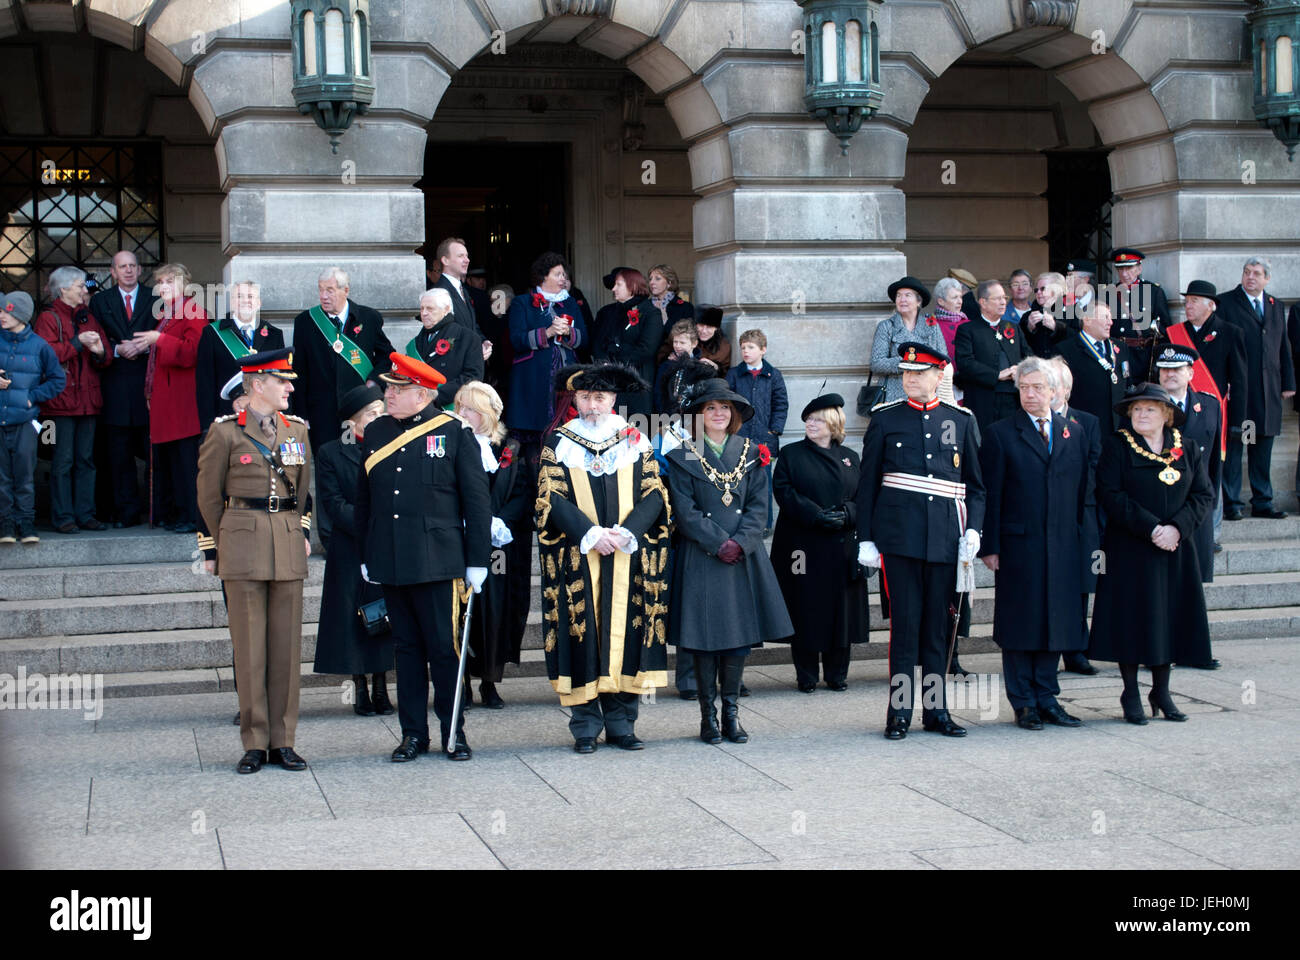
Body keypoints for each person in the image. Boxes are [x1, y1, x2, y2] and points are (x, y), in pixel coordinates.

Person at [355, 354, 491, 762]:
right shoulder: (377, 431)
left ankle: (454, 732)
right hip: (393, 558)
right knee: (407, 651)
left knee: (444, 651)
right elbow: (367, 498)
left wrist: (478, 560)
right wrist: (367, 550)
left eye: (397, 390)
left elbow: (476, 501)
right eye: (389, 388)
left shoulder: (453, 432)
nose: (388, 395)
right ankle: (413, 734)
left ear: (423, 394)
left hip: (439, 561)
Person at [535, 363, 671, 753]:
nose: (593, 405)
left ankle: (622, 723)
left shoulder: (636, 440)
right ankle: (584, 726)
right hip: (578, 556)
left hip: (628, 553)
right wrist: (591, 534)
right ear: (574, 400)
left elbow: (654, 493)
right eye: (585, 397)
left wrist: (626, 532)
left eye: (600, 397)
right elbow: (549, 497)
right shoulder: (559, 441)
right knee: (581, 633)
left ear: (613, 400)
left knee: (628, 633)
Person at [855, 342, 984, 740]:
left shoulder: (961, 421)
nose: (910, 379)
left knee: (937, 630)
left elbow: (976, 487)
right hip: (900, 540)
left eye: (919, 373)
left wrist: (974, 530)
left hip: (946, 539)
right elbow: (868, 485)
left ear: (939, 375)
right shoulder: (885, 419)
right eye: (907, 373)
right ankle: (899, 713)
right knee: (905, 630)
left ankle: (936, 712)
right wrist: (867, 539)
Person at [195, 348, 313, 773]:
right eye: (282, 381)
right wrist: (218, 541)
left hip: (284, 542)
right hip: (242, 543)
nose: (290, 387)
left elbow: (303, 490)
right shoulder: (226, 432)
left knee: (285, 649)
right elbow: (208, 495)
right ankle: (255, 741)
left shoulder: (297, 431)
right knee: (249, 650)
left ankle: (284, 740)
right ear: (257, 385)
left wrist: (298, 531)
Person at [666, 379, 793, 744]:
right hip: (703, 555)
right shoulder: (684, 454)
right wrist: (717, 543)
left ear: (734, 414)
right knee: (705, 638)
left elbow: (759, 506)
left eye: (724, 407)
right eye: (710, 408)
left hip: (743, 556)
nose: (718, 413)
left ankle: (732, 713)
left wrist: (740, 542)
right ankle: (708, 716)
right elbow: (684, 510)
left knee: (737, 639)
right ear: (699, 415)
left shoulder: (752, 452)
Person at [1088, 385, 1214, 724]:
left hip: (1175, 548)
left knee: (1169, 618)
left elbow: (1203, 494)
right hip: (1131, 547)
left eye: (1150, 410)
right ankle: (1130, 691)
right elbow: (1110, 494)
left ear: (1167, 415)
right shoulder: (1117, 446)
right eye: (1137, 410)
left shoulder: (1186, 448)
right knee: (1132, 619)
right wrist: (1152, 528)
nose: (1141, 415)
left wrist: (1176, 528)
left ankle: (1162, 690)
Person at [978, 358, 1090, 731]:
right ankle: (1023, 701)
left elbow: (1080, 493)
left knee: (1055, 619)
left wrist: (1082, 538)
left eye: (1038, 387)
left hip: (1061, 544)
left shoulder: (1072, 432)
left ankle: (1047, 696)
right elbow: (990, 494)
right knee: (1020, 621)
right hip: (1017, 544)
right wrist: (989, 545)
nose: (1031, 394)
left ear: (1055, 391)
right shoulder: (999, 434)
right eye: (1024, 387)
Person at [771, 393, 869, 693]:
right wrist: (815, 515)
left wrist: (847, 514)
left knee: (842, 611)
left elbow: (864, 497)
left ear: (833, 422)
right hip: (802, 545)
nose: (811, 424)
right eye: (808, 420)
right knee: (805, 609)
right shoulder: (791, 454)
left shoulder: (851, 457)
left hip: (841, 545)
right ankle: (807, 674)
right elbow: (784, 492)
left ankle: (837, 673)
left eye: (817, 419)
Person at [311, 383, 395, 715]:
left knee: (385, 614)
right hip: (349, 546)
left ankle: (381, 684)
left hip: (385, 544)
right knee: (353, 617)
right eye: (371, 414)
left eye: (380, 412)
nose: (379, 418)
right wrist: (368, 525)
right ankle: (359, 684)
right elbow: (333, 502)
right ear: (352, 421)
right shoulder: (331, 452)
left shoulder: (390, 445)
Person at [454, 380, 531, 709]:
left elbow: (522, 491)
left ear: (485, 413)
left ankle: (490, 680)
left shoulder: (509, 449)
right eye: (459, 406)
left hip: (499, 544)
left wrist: (500, 522)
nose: (462, 413)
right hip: (461, 539)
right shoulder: (452, 443)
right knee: (461, 613)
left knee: (495, 611)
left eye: (469, 408)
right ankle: (463, 682)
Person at [1153, 343, 1224, 672]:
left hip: (1196, 509)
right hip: (1161, 507)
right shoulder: (1146, 406)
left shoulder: (1209, 406)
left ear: (1190, 374)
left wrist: (1210, 506)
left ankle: (1194, 648)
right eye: (1164, 370)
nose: (1169, 375)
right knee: (1160, 585)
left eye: (1176, 370)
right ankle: (1158, 649)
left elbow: (1214, 466)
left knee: (1192, 583)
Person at [1214, 256, 1295, 519]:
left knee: (1262, 447)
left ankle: (1263, 502)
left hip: (1268, 389)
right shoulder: (1225, 303)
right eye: (1247, 272)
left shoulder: (1274, 305)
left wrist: (1288, 383)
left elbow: (1284, 347)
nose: (1250, 277)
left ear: (1266, 279)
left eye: (1257, 273)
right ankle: (1232, 504)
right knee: (1236, 446)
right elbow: (1219, 345)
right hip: (1238, 389)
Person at [34, 267, 109, 534]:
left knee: (86, 460)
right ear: (64, 289)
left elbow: (106, 356)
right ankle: (63, 517)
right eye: (79, 286)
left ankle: (85, 514)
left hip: (88, 402)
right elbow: (45, 354)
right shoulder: (48, 318)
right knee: (62, 461)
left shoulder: (87, 317)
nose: (85, 290)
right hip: (58, 406)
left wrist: (100, 352)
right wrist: (78, 343)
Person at [290, 266, 394, 457]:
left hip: (359, 409)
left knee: (358, 462)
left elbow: (387, 356)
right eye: (320, 289)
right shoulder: (306, 322)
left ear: (345, 290)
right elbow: (299, 371)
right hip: (322, 412)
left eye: (329, 290)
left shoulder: (368, 318)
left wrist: (373, 382)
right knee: (327, 464)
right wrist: (301, 415)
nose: (323, 296)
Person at [136, 262, 207, 532]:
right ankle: (174, 513)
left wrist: (159, 340)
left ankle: (191, 516)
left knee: (185, 463)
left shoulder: (192, 310)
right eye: (160, 282)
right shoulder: (167, 313)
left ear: (183, 284)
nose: (163, 286)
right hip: (165, 401)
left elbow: (193, 353)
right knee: (170, 462)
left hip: (182, 400)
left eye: (169, 281)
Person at [89, 250, 158, 527]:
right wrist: (117, 349)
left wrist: (146, 344)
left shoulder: (156, 298)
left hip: (149, 388)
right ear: (113, 272)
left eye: (132, 266)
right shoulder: (100, 301)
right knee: (119, 458)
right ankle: (126, 513)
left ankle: (157, 511)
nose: (128, 271)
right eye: (122, 267)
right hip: (115, 388)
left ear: (140, 270)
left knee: (154, 455)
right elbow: (96, 338)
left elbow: (167, 332)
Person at [505, 252, 586, 473]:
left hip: (565, 375)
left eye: (564, 274)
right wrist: (548, 332)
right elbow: (516, 339)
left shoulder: (569, 302)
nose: (563, 278)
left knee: (566, 432)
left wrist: (568, 332)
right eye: (558, 274)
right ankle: (537, 486)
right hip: (532, 377)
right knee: (535, 436)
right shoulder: (522, 302)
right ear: (543, 276)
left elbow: (584, 338)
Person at [1047, 357, 1102, 677]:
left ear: (1066, 389)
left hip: (1081, 515)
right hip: (1045, 519)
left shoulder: (1088, 422)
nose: (1049, 391)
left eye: (1053, 385)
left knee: (1079, 587)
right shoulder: (1024, 422)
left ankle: (1076, 650)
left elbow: (1095, 467)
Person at [0, 292, 66, 544]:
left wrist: (33, 396)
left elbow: (58, 379)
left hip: (25, 421)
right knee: (2, 476)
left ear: (21, 314)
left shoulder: (39, 346)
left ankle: (26, 523)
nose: (2, 316)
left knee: (25, 474)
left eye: (7, 311)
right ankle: (5, 524)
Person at [195, 280, 285, 432]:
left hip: (266, 418)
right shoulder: (212, 334)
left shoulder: (274, 335)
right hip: (228, 418)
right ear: (231, 302)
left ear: (258, 303)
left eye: (250, 297)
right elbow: (205, 384)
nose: (245, 301)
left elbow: (281, 378)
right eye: (239, 296)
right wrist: (208, 426)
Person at [725, 328, 788, 533]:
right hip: (739, 436)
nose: (746, 351)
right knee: (737, 480)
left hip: (763, 439)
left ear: (763, 350)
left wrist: (774, 431)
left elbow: (781, 404)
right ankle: (738, 522)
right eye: (743, 347)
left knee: (763, 483)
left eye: (751, 347)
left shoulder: (773, 375)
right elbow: (728, 403)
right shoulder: (734, 374)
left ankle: (764, 523)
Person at [953, 279, 1031, 431]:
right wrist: (997, 375)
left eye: (1004, 298)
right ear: (983, 302)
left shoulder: (1013, 328)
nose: (1003, 302)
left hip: (1012, 398)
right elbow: (965, 363)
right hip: (983, 399)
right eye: (997, 299)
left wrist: (1019, 369)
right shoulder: (968, 330)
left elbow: (1028, 356)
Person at [591, 267, 658, 422]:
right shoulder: (608, 312)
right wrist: (604, 363)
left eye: (618, 285)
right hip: (609, 383)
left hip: (636, 381)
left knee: (637, 435)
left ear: (632, 285)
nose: (613, 289)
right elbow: (596, 343)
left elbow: (647, 349)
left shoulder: (650, 312)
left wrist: (617, 364)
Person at [1057, 301, 1133, 430]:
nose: (1111, 322)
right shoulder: (1065, 350)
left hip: (1118, 428)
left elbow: (1127, 383)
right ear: (1087, 320)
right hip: (1084, 427)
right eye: (1105, 317)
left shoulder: (1120, 347)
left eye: (1110, 317)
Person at [869, 277, 944, 405]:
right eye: (899, 296)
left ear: (918, 301)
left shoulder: (931, 326)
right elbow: (876, 363)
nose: (902, 299)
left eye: (907, 295)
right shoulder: (886, 326)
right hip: (893, 396)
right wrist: (907, 362)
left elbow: (943, 360)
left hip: (925, 395)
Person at [405, 287, 484, 407]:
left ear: (446, 309)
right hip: (418, 408)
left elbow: (472, 378)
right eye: (422, 308)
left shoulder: (468, 338)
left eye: (430, 308)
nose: (424, 313)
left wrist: (437, 396)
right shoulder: (415, 343)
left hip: (450, 408)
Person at [1109, 247, 1169, 382]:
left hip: (1143, 356)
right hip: (1117, 353)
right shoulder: (1108, 293)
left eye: (1129, 268)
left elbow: (1165, 326)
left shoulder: (1153, 291)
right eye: (1120, 269)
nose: (1124, 274)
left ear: (1139, 269)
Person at [431, 237, 481, 336]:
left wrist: (482, 342)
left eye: (467, 256)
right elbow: (443, 334)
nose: (467, 260)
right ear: (445, 260)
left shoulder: (463, 290)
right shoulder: (438, 293)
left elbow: (471, 325)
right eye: (460, 256)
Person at [647, 264, 694, 360]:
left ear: (669, 283)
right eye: (650, 279)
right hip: (648, 360)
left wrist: (664, 318)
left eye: (657, 279)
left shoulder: (684, 307)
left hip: (672, 359)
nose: (652, 282)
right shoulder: (645, 306)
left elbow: (687, 337)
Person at [1023, 272, 1070, 358]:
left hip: (1063, 367)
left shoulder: (1072, 313)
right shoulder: (1027, 316)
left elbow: (1078, 341)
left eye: (1043, 289)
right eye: (1036, 290)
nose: (1038, 292)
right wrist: (1029, 329)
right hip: (1037, 367)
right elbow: (1020, 347)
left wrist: (1056, 327)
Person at [693, 306, 732, 371]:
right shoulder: (687, 339)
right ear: (696, 325)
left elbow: (724, 371)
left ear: (716, 328)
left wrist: (715, 366)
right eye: (701, 325)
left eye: (709, 327)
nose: (704, 331)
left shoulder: (723, 346)